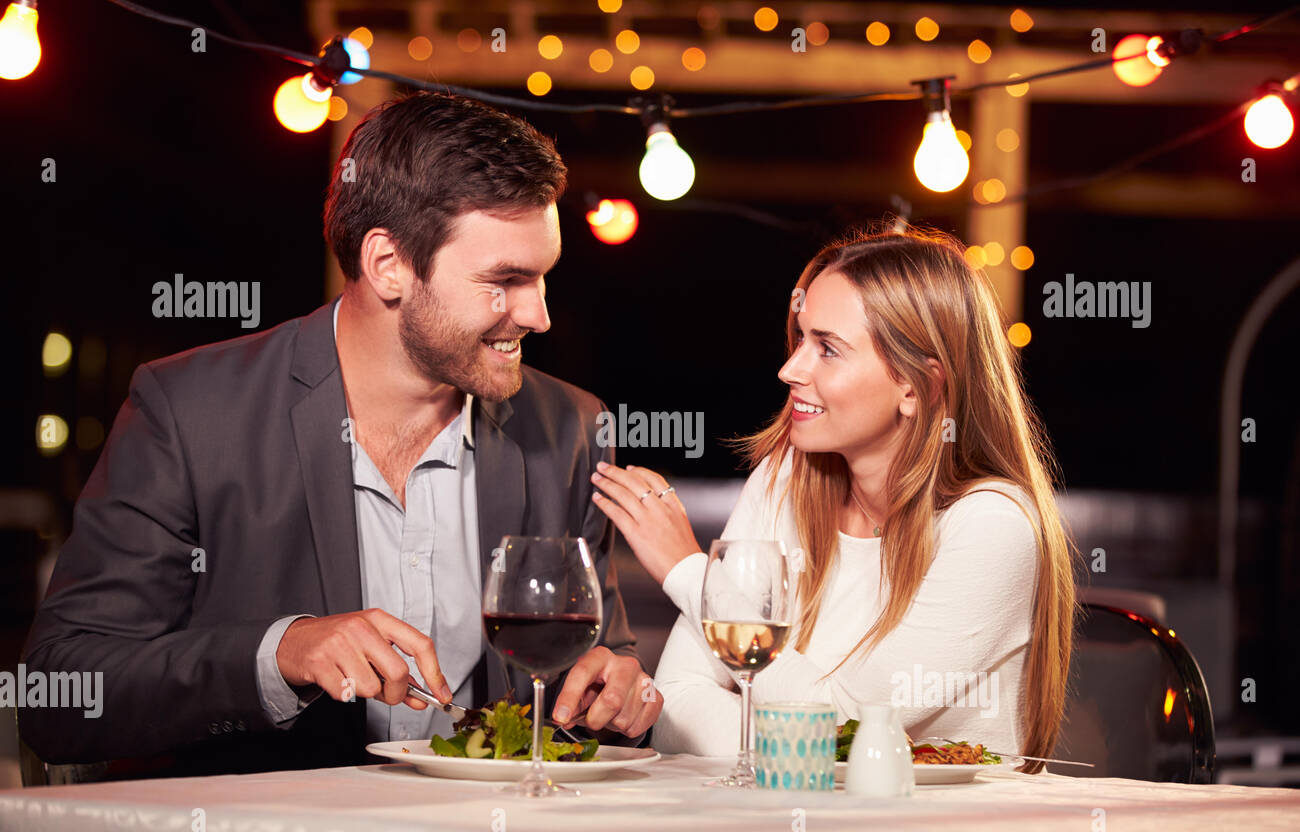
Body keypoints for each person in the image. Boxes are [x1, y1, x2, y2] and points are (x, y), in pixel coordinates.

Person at [19, 91, 660, 777]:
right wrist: (279, 653)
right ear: (388, 265)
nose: (539, 315)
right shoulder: (191, 412)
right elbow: (61, 692)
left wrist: (623, 692)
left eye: (542, 278)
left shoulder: (570, 430)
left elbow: (599, 676)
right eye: (506, 280)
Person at [591, 225, 1078, 771]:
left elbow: (844, 728)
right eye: (801, 339)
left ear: (918, 387)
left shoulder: (992, 525)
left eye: (827, 348)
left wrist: (689, 573)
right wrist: (801, 736)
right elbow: (677, 703)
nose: (790, 369)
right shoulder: (783, 479)